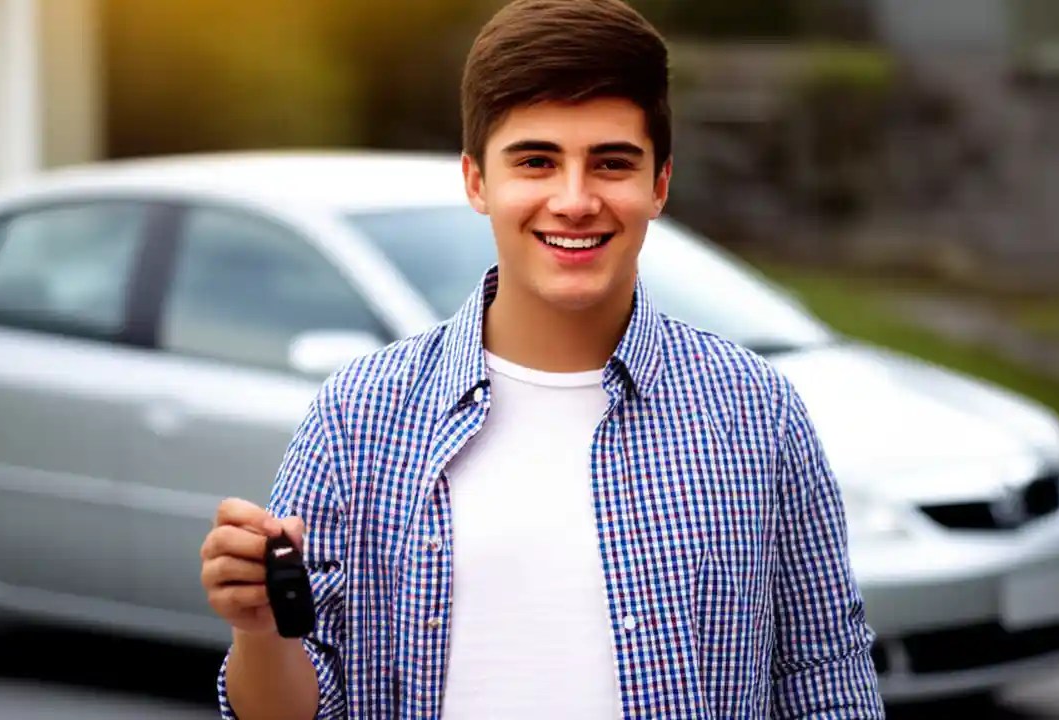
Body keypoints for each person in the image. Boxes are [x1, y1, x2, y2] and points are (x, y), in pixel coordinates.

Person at [200, 0, 886, 717]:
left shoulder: (757, 413)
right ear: (476, 182)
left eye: (611, 163)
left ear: (659, 184)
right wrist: (261, 634)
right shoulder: (358, 414)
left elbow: (824, 674)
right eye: (536, 161)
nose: (574, 199)